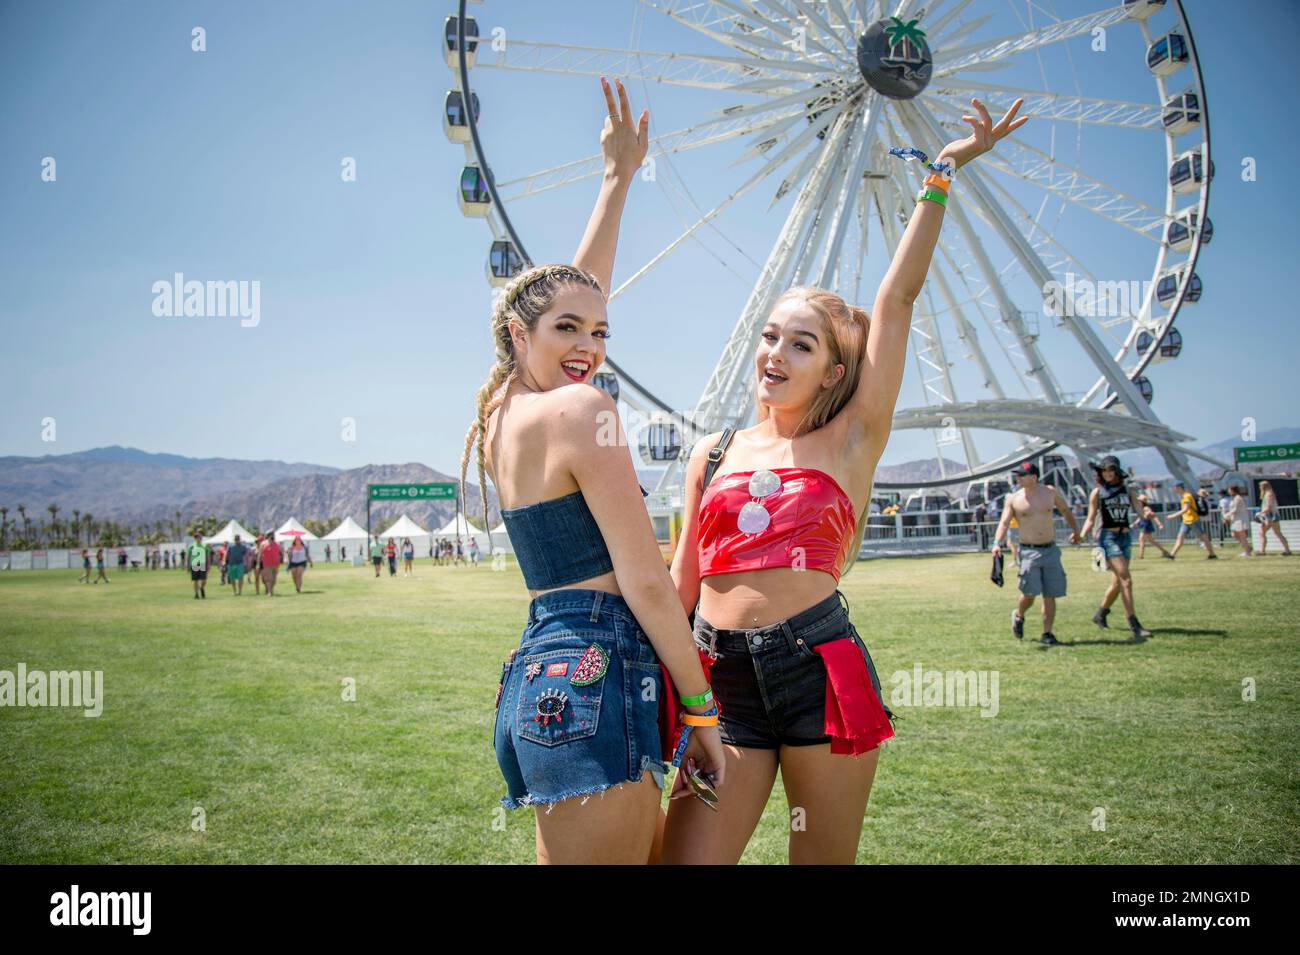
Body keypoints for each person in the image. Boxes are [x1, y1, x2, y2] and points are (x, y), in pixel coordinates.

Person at [662, 97, 1029, 865]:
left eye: (800, 344)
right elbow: (681, 584)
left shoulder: (853, 438)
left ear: (834, 368)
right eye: (769, 336)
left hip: (818, 667)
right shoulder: (713, 451)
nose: (775, 353)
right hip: (718, 681)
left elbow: (895, 299)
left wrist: (943, 170)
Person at [461, 77, 724, 865]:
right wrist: (703, 710)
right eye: (570, 331)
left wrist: (617, 179)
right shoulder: (585, 411)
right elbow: (645, 582)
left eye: (601, 332)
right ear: (520, 333)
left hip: (546, 665)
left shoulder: (502, 414)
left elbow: (566, 296)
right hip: (603, 665)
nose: (589, 346)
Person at [993, 461, 1080, 646]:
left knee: (1050, 594)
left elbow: (1065, 510)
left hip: (1050, 549)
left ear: (1033, 477)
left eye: (1022, 475)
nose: (1018, 478)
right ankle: (1019, 615)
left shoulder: (1050, 492)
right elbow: (1004, 522)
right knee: (1029, 593)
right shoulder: (1014, 498)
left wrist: (1076, 530)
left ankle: (1047, 633)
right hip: (1029, 550)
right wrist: (996, 543)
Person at [1079, 456, 1153, 639]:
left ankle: (1100, 614)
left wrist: (1146, 515)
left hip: (1125, 536)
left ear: (1117, 471)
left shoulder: (1127, 490)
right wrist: (1080, 535)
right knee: (1126, 579)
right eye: (1104, 471)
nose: (1108, 474)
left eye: (1111, 470)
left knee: (1118, 582)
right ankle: (1134, 624)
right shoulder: (1097, 492)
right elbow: (1090, 517)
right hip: (1107, 537)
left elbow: (1138, 509)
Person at [1169, 480, 1217, 559]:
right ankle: (1172, 555)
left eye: (1174, 487)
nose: (1173, 489)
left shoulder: (1187, 496)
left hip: (1193, 520)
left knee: (1203, 537)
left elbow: (1185, 509)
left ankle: (1212, 554)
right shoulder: (1183, 496)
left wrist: (1173, 515)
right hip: (1186, 520)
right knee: (1180, 537)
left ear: (1179, 487)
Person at [1256, 480, 1292, 556]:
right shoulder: (1267, 494)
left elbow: (1269, 507)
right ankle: (1287, 550)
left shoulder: (1269, 494)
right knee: (1272, 533)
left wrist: (1260, 513)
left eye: (1260, 486)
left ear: (1264, 486)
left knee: (1264, 532)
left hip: (1271, 516)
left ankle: (1262, 551)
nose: (1259, 488)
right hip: (1269, 516)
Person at [1134, 494, 1173, 559]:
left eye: (1139, 500)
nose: (1138, 502)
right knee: (1151, 541)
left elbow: (1153, 515)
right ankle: (1165, 551)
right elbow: (1140, 517)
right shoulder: (1141, 508)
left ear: (1142, 502)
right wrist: (1134, 523)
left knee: (1141, 539)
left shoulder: (1146, 508)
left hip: (1146, 525)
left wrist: (1159, 524)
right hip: (1144, 524)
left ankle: (1141, 556)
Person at [1226, 486, 1255, 557]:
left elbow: (1236, 509)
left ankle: (1247, 552)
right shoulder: (1234, 498)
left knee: (1242, 536)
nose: (1228, 492)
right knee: (1234, 534)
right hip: (1235, 519)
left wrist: (1227, 515)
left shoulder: (1238, 498)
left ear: (1233, 490)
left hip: (1240, 519)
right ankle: (1247, 547)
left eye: (1229, 490)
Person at [186, 532, 208, 598]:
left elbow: (207, 555)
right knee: (195, 580)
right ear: (195, 538)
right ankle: (196, 594)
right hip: (194, 564)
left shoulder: (204, 545)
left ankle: (201, 588)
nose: (200, 538)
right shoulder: (192, 546)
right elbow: (188, 556)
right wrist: (188, 565)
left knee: (204, 580)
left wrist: (208, 564)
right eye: (199, 537)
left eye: (201, 537)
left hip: (202, 564)